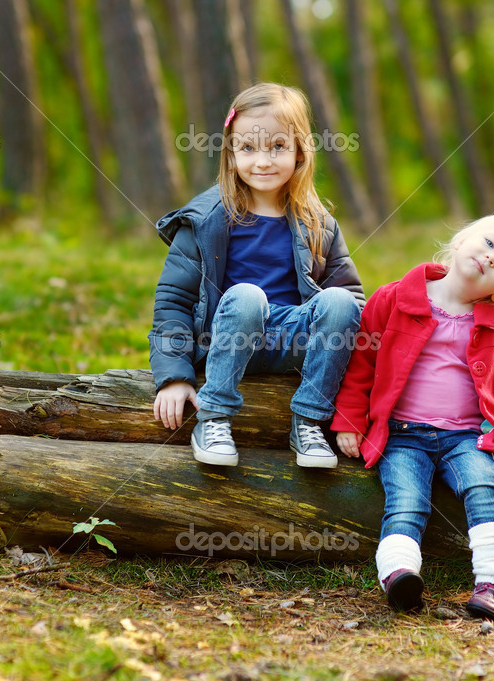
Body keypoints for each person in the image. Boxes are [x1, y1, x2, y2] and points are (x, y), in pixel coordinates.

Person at [331, 214, 494, 619]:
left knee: (485, 488)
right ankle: (399, 576)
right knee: (407, 500)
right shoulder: (394, 299)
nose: (491, 258)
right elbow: (362, 365)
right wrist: (349, 420)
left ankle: (493, 583)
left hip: (468, 438)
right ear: (463, 238)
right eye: (489, 242)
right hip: (402, 434)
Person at [149, 82, 364, 469]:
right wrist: (173, 376)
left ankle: (309, 421)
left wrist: (354, 398)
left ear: (300, 150)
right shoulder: (206, 219)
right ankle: (213, 417)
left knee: (340, 302)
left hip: (294, 344)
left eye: (278, 147)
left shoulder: (318, 223)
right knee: (247, 295)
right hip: (225, 336)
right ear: (231, 155)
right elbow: (174, 301)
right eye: (248, 148)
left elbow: (351, 306)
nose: (263, 160)